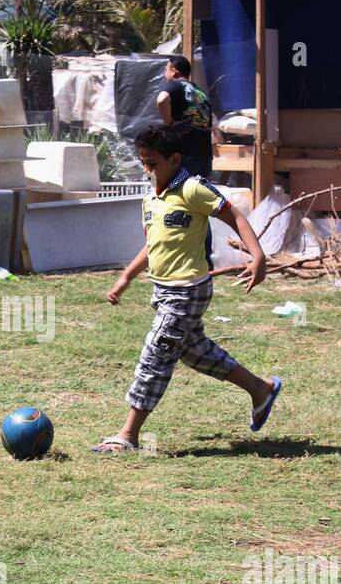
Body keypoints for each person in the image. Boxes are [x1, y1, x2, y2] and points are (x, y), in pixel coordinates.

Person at [92, 124, 282, 454]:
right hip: (163, 290)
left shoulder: (193, 189)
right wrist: (126, 277)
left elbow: (233, 214)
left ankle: (128, 435)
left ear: (175, 158)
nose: (146, 169)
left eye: (152, 162)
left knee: (156, 353)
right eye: (143, 161)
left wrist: (257, 255)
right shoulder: (151, 198)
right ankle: (260, 389)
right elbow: (153, 244)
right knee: (196, 352)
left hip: (187, 290)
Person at [156, 55, 214, 178]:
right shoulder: (201, 92)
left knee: (177, 195)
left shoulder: (175, 85)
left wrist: (169, 124)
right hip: (205, 157)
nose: (164, 73)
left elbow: (161, 100)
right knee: (197, 194)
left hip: (185, 155)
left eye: (166, 69)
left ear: (174, 71)